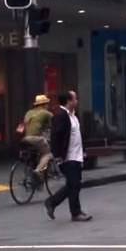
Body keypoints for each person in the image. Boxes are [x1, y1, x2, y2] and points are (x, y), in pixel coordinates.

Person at [44, 90, 92, 221]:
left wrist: (83, 151)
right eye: (75, 99)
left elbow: (78, 136)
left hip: (76, 156)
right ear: (69, 101)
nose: (77, 101)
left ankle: (53, 203)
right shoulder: (61, 116)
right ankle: (75, 212)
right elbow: (56, 137)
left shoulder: (74, 116)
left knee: (73, 185)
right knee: (74, 184)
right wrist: (57, 156)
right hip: (67, 157)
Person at [20, 94, 54, 178]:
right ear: (44, 104)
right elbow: (54, 125)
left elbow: (24, 125)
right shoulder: (46, 113)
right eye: (47, 104)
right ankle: (38, 170)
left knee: (37, 151)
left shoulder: (29, 112)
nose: (47, 105)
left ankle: (34, 172)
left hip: (25, 138)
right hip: (36, 138)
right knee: (48, 154)